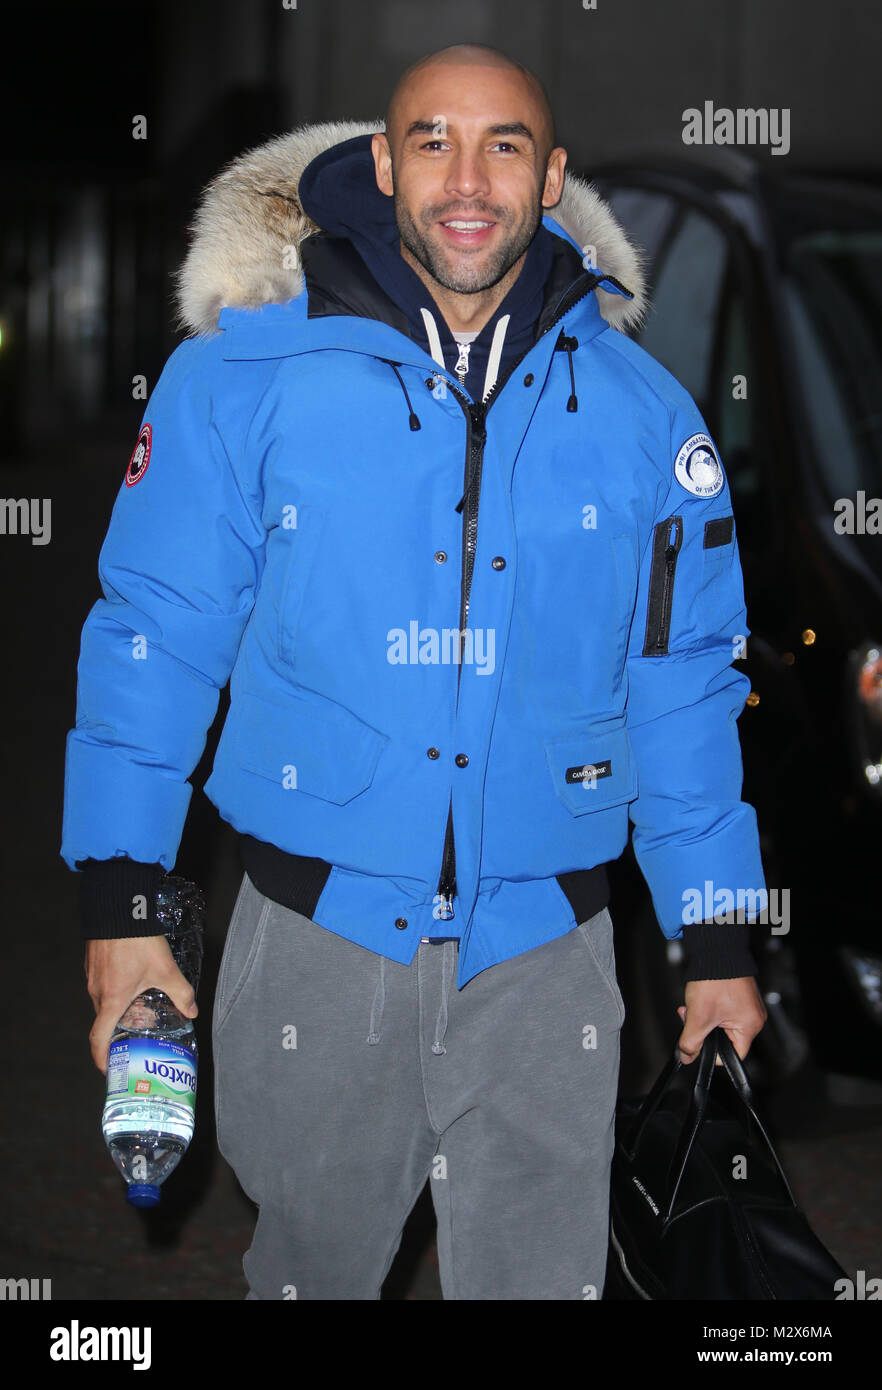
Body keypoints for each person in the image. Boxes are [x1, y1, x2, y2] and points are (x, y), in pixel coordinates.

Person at [62, 42, 767, 1300]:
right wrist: (123, 905)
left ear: (551, 176)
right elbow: (153, 636)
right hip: (314, 940)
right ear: (384, 165)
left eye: (505, 145)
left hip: (549, 953)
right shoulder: (241, 376)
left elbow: (685, 687)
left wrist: (715, 938)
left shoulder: (646, 417)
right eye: (434, 141)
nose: (469, 178)